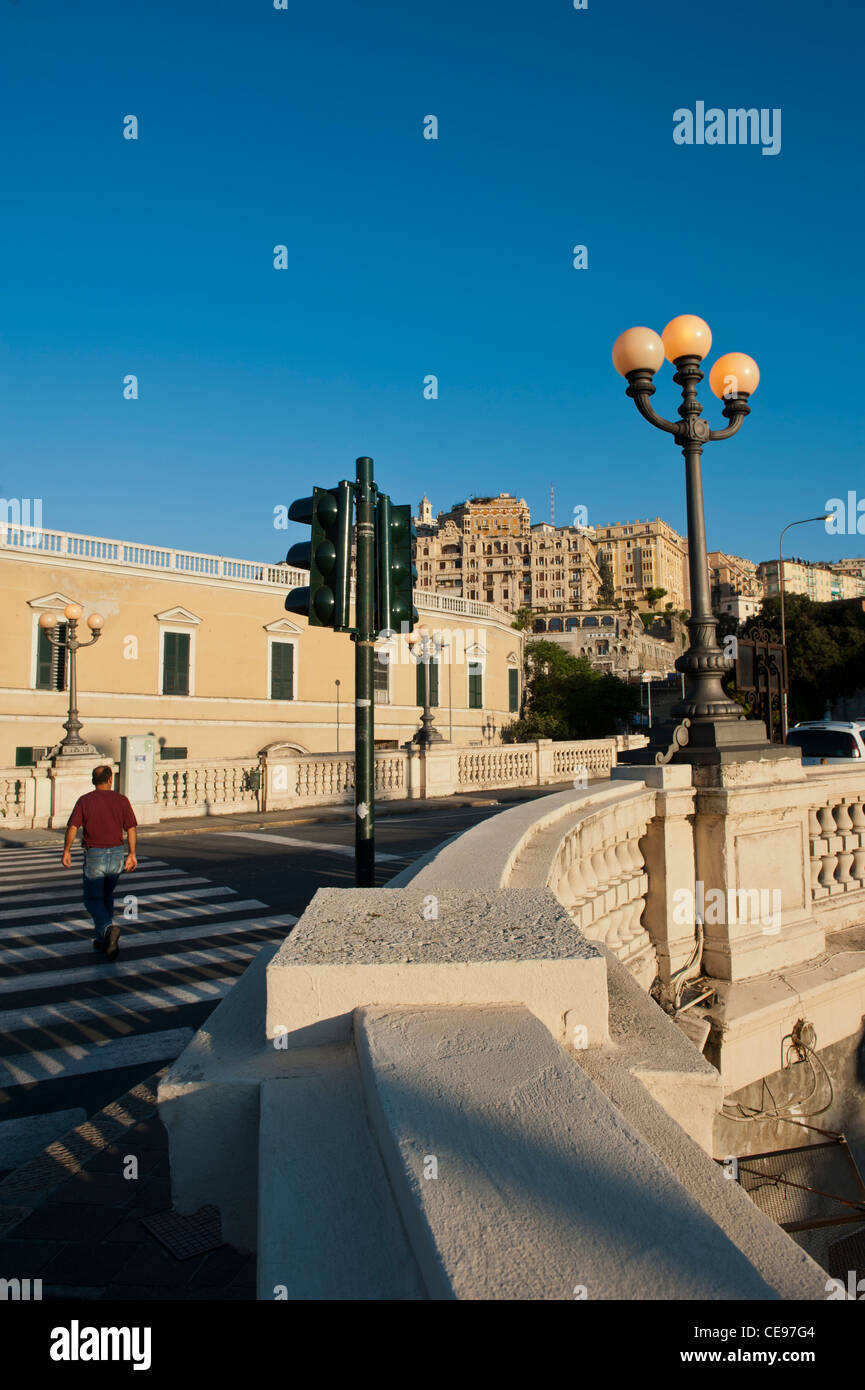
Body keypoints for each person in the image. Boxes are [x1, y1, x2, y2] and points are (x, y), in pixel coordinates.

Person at [62, 765, 138, 960]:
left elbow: (73, 827)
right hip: (116, 853)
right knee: (106, 896)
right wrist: (132, 854)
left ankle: (107, 929)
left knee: (92, 899)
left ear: (93, 780)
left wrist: (67, 851)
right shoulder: (121, 800)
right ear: (110, 779)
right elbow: (130, 828)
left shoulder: (85, 800)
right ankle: (103, 938)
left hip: (94, 853)